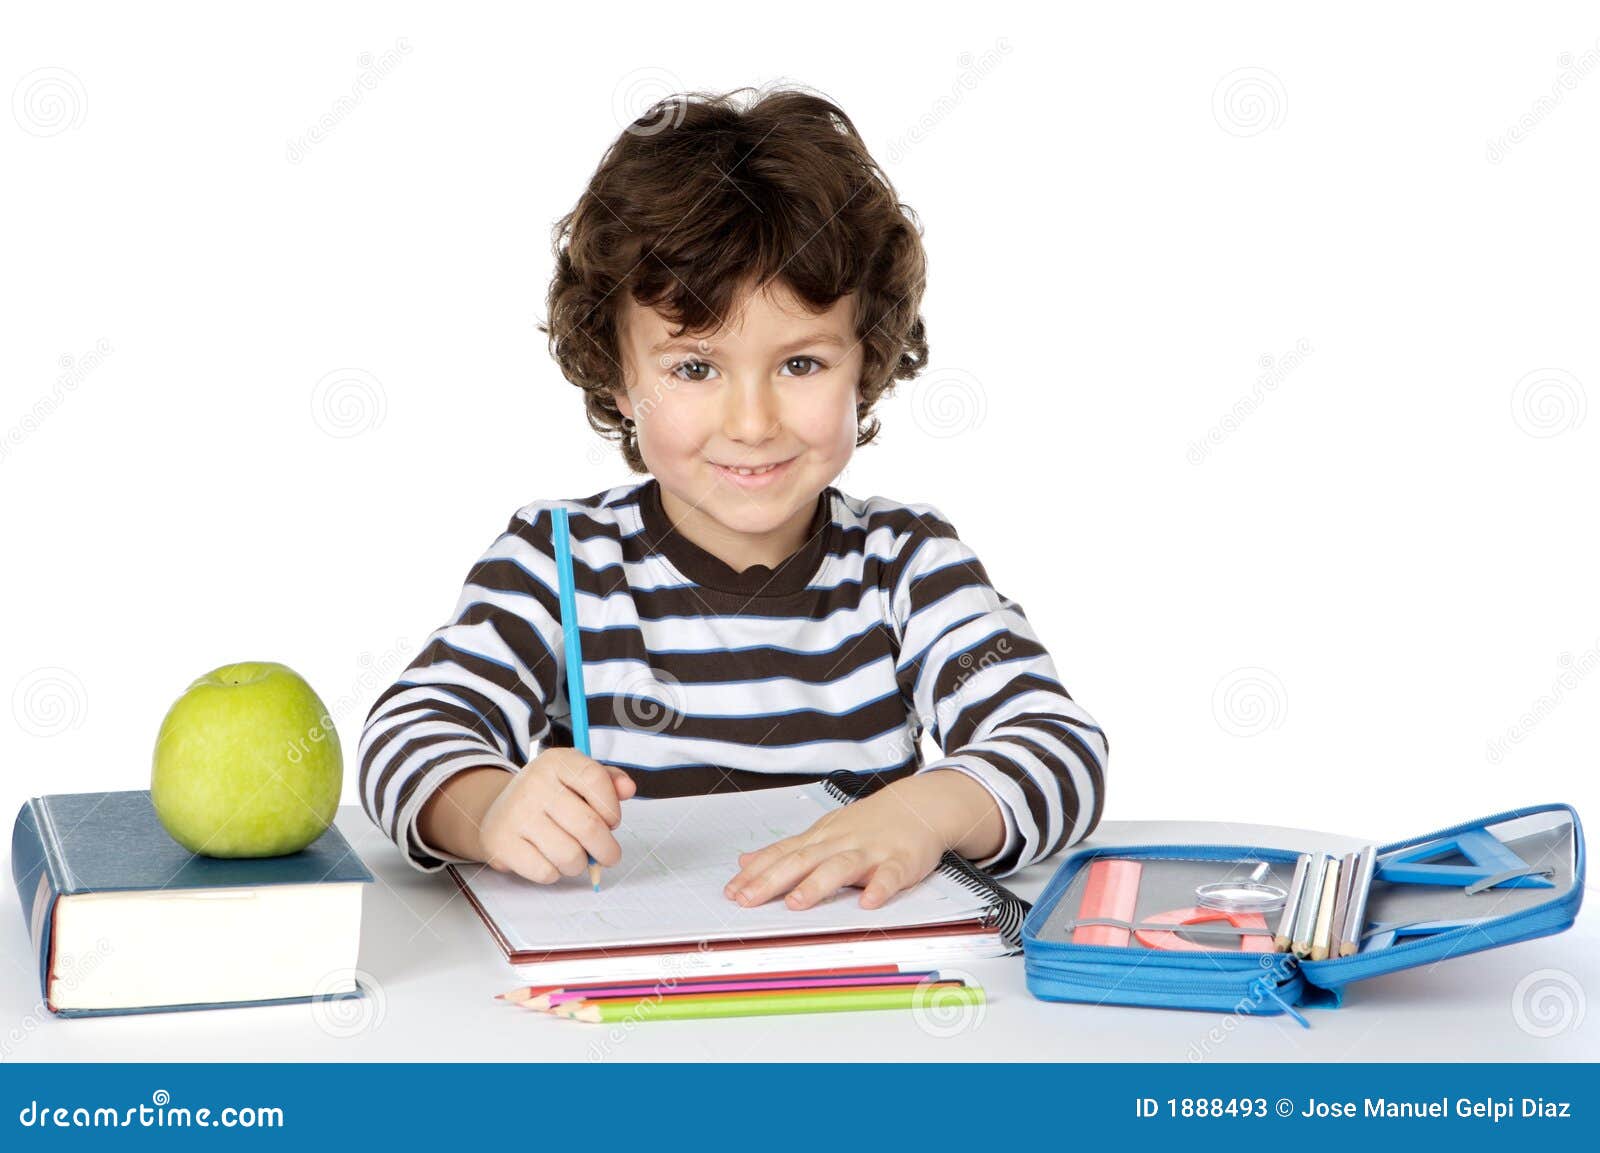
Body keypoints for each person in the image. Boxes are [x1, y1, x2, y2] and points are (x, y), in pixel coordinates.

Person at [357, 85, 1107, 912]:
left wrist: (929, 809)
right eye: (694, 368)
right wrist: (490, 807)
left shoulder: (907, 563)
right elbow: (409, 734)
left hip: (868, 992)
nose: (752, 423)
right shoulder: (561, 559)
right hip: (621, 997)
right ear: (616, 376)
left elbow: (1059, 746)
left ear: (869, 361)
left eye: (801, 364)